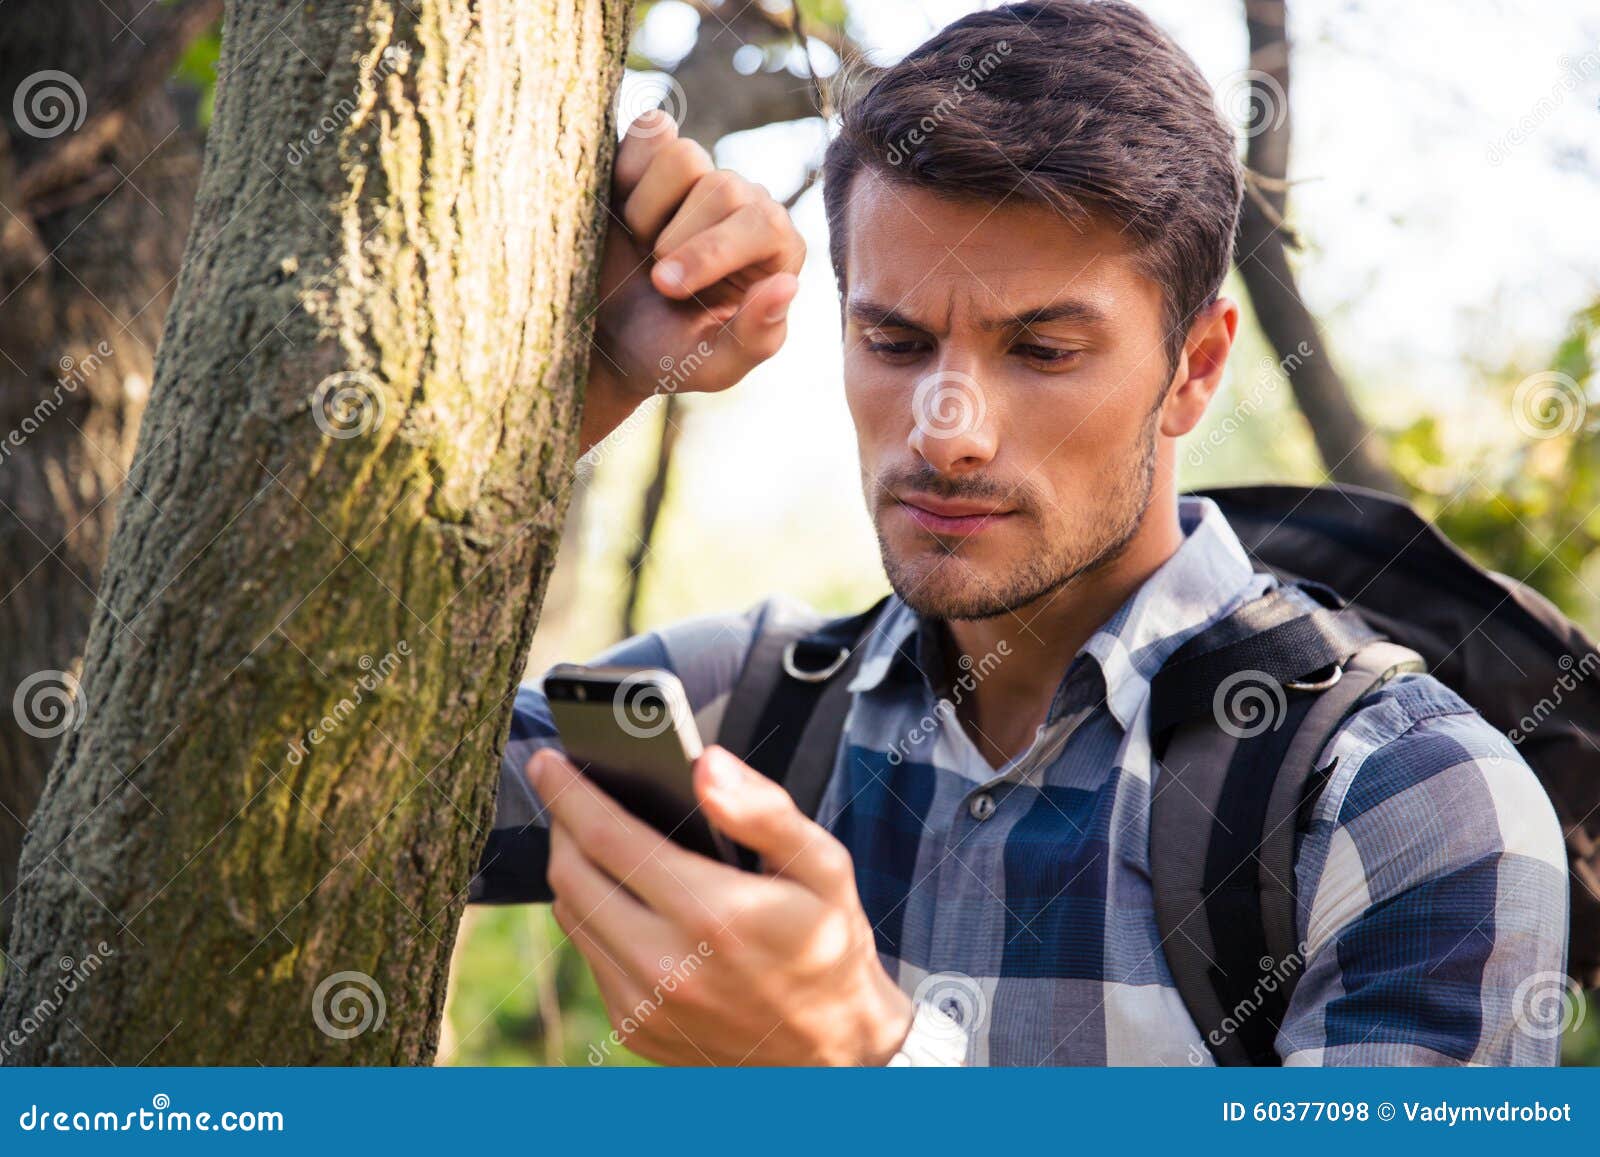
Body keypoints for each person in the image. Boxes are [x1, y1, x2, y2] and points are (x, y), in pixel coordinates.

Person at [471, 0, 1568, 1065]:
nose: (947, 433)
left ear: (1193, 368)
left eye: (1041, 352)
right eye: (894, 341)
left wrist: (870, 1073)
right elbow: (324, 788)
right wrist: (585, 384)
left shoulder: (1409, 804)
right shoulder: (744, 709)